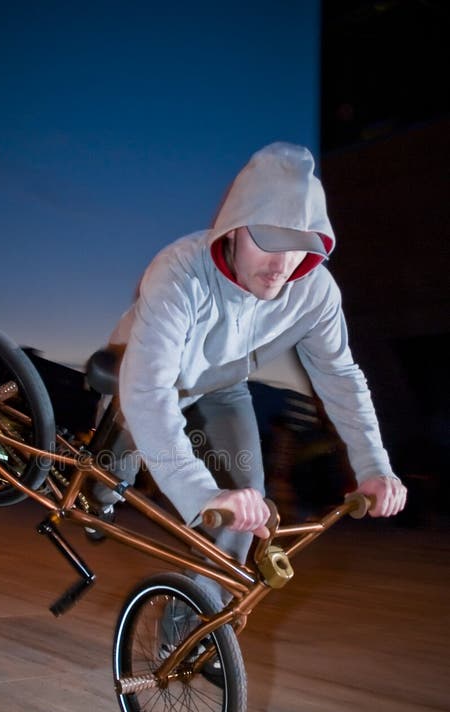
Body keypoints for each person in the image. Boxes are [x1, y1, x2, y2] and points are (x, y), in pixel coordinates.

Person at [89, 142, 406, 597]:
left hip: (222, 385)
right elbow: (147, 391)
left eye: (297, 248)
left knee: (246, 505)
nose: (281, 266)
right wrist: (199, 492)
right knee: (111, 470)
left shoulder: (314, 292)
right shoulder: (179, 271)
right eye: (268, 241)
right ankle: (101, 496)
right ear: (234, 229)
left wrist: (374, 466)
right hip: (143, 375)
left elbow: (340, 377)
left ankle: (187, 635)